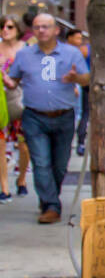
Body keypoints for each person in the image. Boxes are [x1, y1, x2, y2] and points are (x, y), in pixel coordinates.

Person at [1, 13, 90, 223]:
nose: (41, 30)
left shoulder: (71, 53)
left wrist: (75, 78)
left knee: (59, 165)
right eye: (37, 27)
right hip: (34, 116)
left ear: (56, 30)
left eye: (46, 27)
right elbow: (14, 80)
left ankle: (49, 196)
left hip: (64, 115)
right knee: (41, 163)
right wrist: (7, 81)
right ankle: (51, 205)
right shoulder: (25, 55)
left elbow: (86, 79)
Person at [1, 16, 30, 201]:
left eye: (9, 27)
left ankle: (21, 180)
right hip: (1, 103)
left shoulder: (27, 50)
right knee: (0, 145)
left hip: (22, 101)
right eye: (2, 27)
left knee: (24, 145)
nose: (5, 30)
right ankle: (4, 187)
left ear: (17, 29)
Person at [66, 29, 91, 156]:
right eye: (77, 38)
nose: (79, 41)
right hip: (82, 84)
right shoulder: (84, 50)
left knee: (84, 113)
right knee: (82, 113)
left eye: (80, 38)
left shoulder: (83, 50)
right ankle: (79, 141)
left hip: (87, 84)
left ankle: (81, 141)